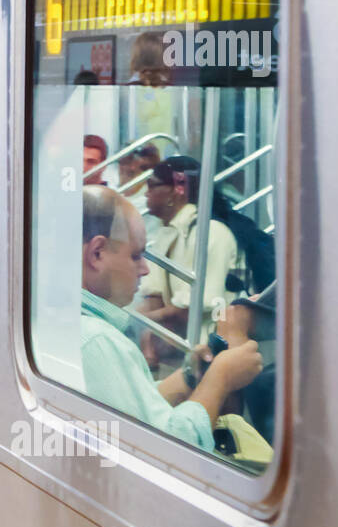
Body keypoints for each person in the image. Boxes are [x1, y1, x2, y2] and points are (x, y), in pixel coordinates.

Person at [80, 186, 263, 451]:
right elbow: (169, 450)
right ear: (97, 253)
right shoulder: (97, 341)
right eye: (136, 256)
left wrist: (190, 377)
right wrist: (221, 378)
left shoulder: (75, 327)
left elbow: (137, 407)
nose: (145, 269)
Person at [138, 154, 240, 366]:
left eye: (151, 185)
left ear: (176, 191)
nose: (146, 192)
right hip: (181, 341)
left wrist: (144, 323)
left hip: (211, 344)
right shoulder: (167, 235)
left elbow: (194, 305)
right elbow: (153, 295)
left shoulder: (211, 233)